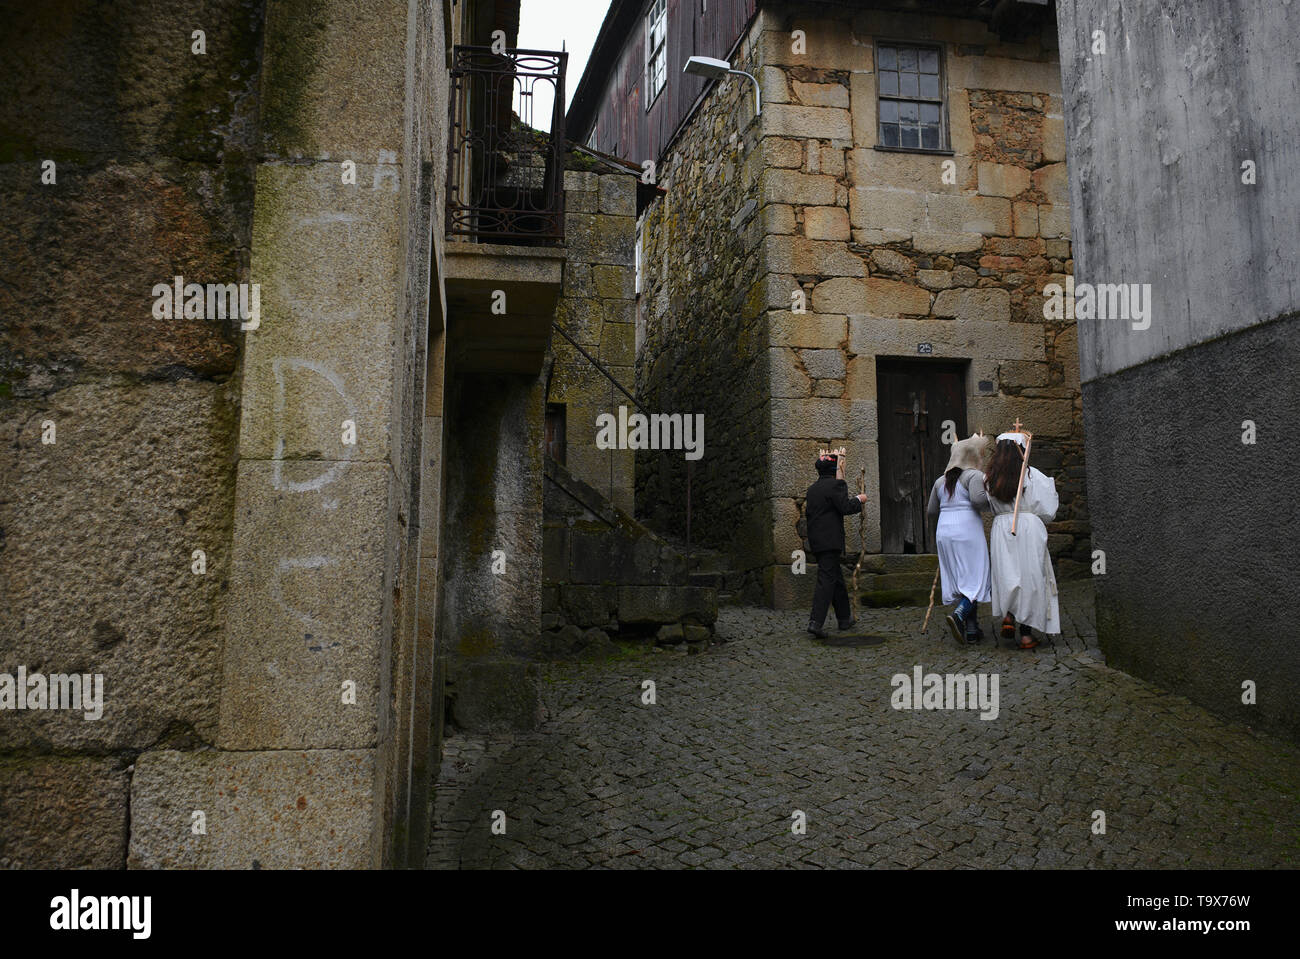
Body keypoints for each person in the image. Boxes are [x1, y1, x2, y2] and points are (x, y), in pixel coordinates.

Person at [967, 430, 1060, 649]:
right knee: (1029, 577)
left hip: (1002, 528)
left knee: (1007, 574)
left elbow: (989, 503)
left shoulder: (989, 478)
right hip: (1027, 528)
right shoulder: (1032, 476)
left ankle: (1009, 614)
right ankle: (1026, 634)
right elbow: (1048, 510)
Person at [926, 432, 991, 644]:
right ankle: (959, 614)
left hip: (944, 531)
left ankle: (972, 630)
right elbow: (979, 501)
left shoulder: (939, 481)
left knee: (962, 578)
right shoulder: (973, 476)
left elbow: (931, 511)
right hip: (967, 529)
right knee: (977, 577)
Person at [805, 448, 867, 639]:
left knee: (836, 580)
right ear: (834, 470)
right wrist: (859, 499)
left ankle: (844, 618)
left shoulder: (812, 489)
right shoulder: (835, 486)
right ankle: (815, 622)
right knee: (826, 581)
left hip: (817, 542)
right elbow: (845, 507)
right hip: (830, 542)